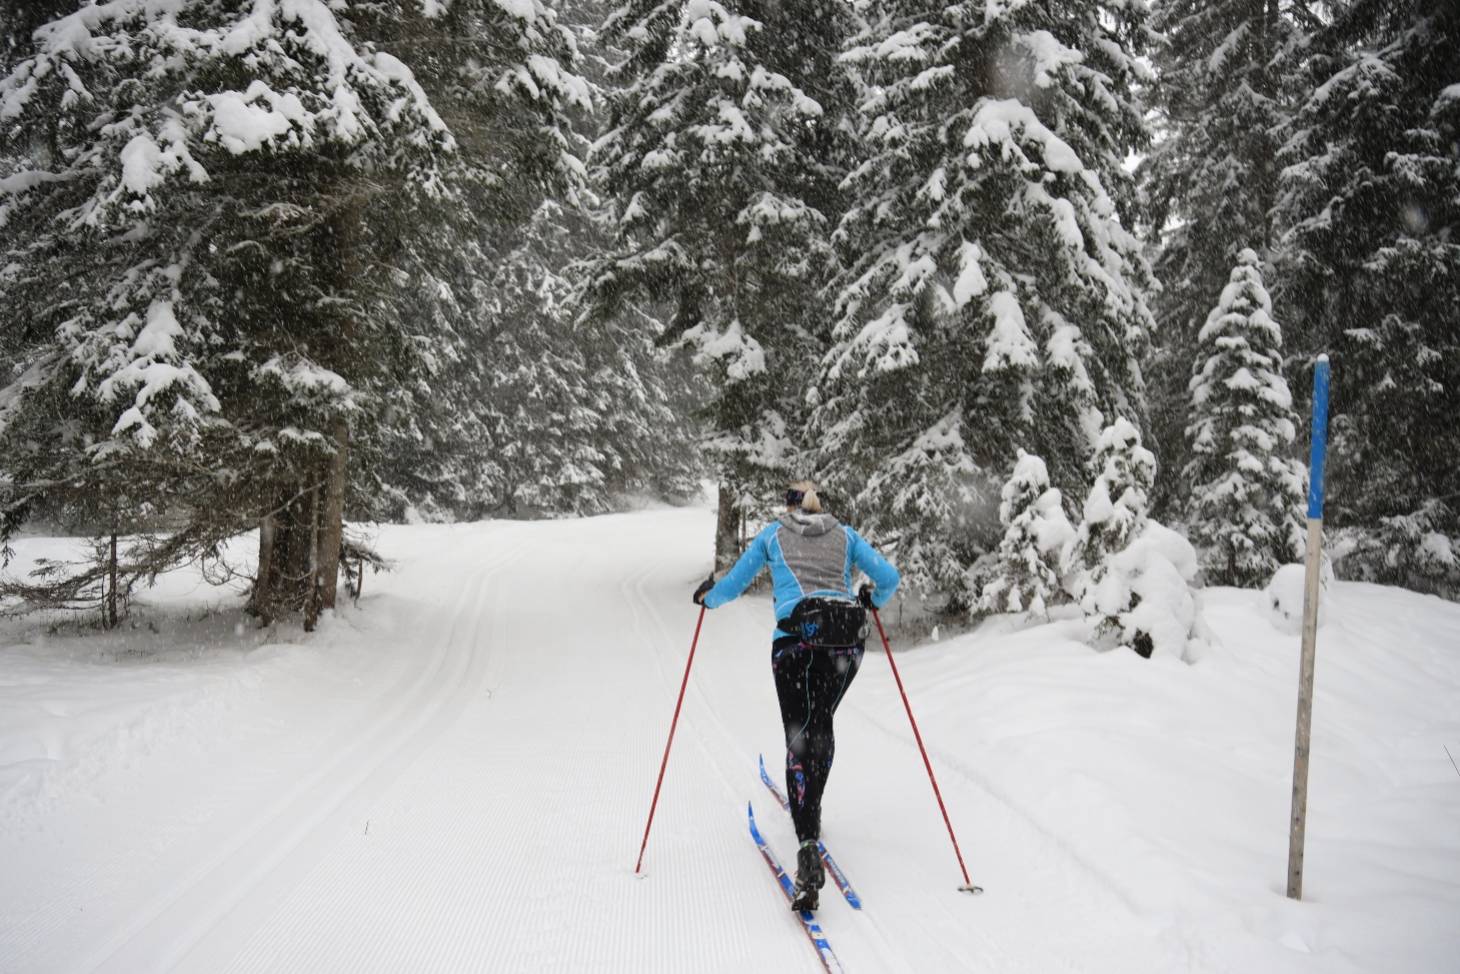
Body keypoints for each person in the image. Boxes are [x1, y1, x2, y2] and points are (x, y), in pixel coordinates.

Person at [693, 480, 899, 910]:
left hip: (795, 645)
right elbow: (888, 578)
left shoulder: (773, 535)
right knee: (820, 722)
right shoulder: (845, 535)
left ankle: (807, 843)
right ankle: (813, 805)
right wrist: (873, 599)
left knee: (800, 735)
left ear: (788, 506)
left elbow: (734, 583)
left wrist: (708, 599)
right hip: (845, 646)